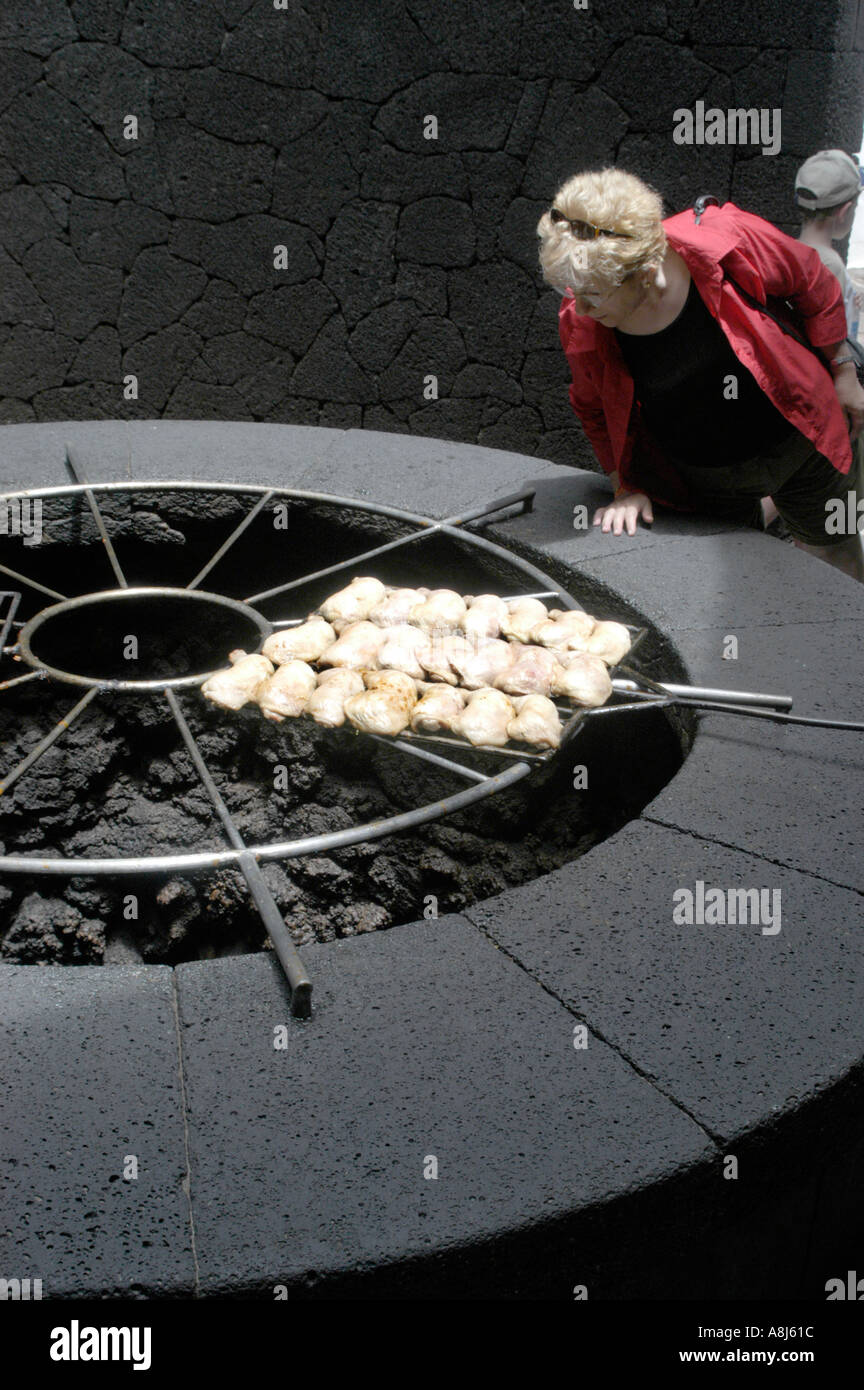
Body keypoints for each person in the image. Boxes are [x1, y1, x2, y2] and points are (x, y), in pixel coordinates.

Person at [536, 168, 864, 582]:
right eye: (571, 290)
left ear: (643, 271)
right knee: (735, 581)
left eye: (593, 294)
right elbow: (593, 410)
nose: (580, 308)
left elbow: (812, 282)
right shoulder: (583, 322)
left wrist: (843, 370)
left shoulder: (726, 239)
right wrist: (626, 488)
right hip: (704, 477)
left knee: (837, 557)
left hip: (800, 438)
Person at [796, 148, 862, 341]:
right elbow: (833, 342)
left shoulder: (790, 248)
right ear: (845, 211)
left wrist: (849, 298)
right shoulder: (831, 265)